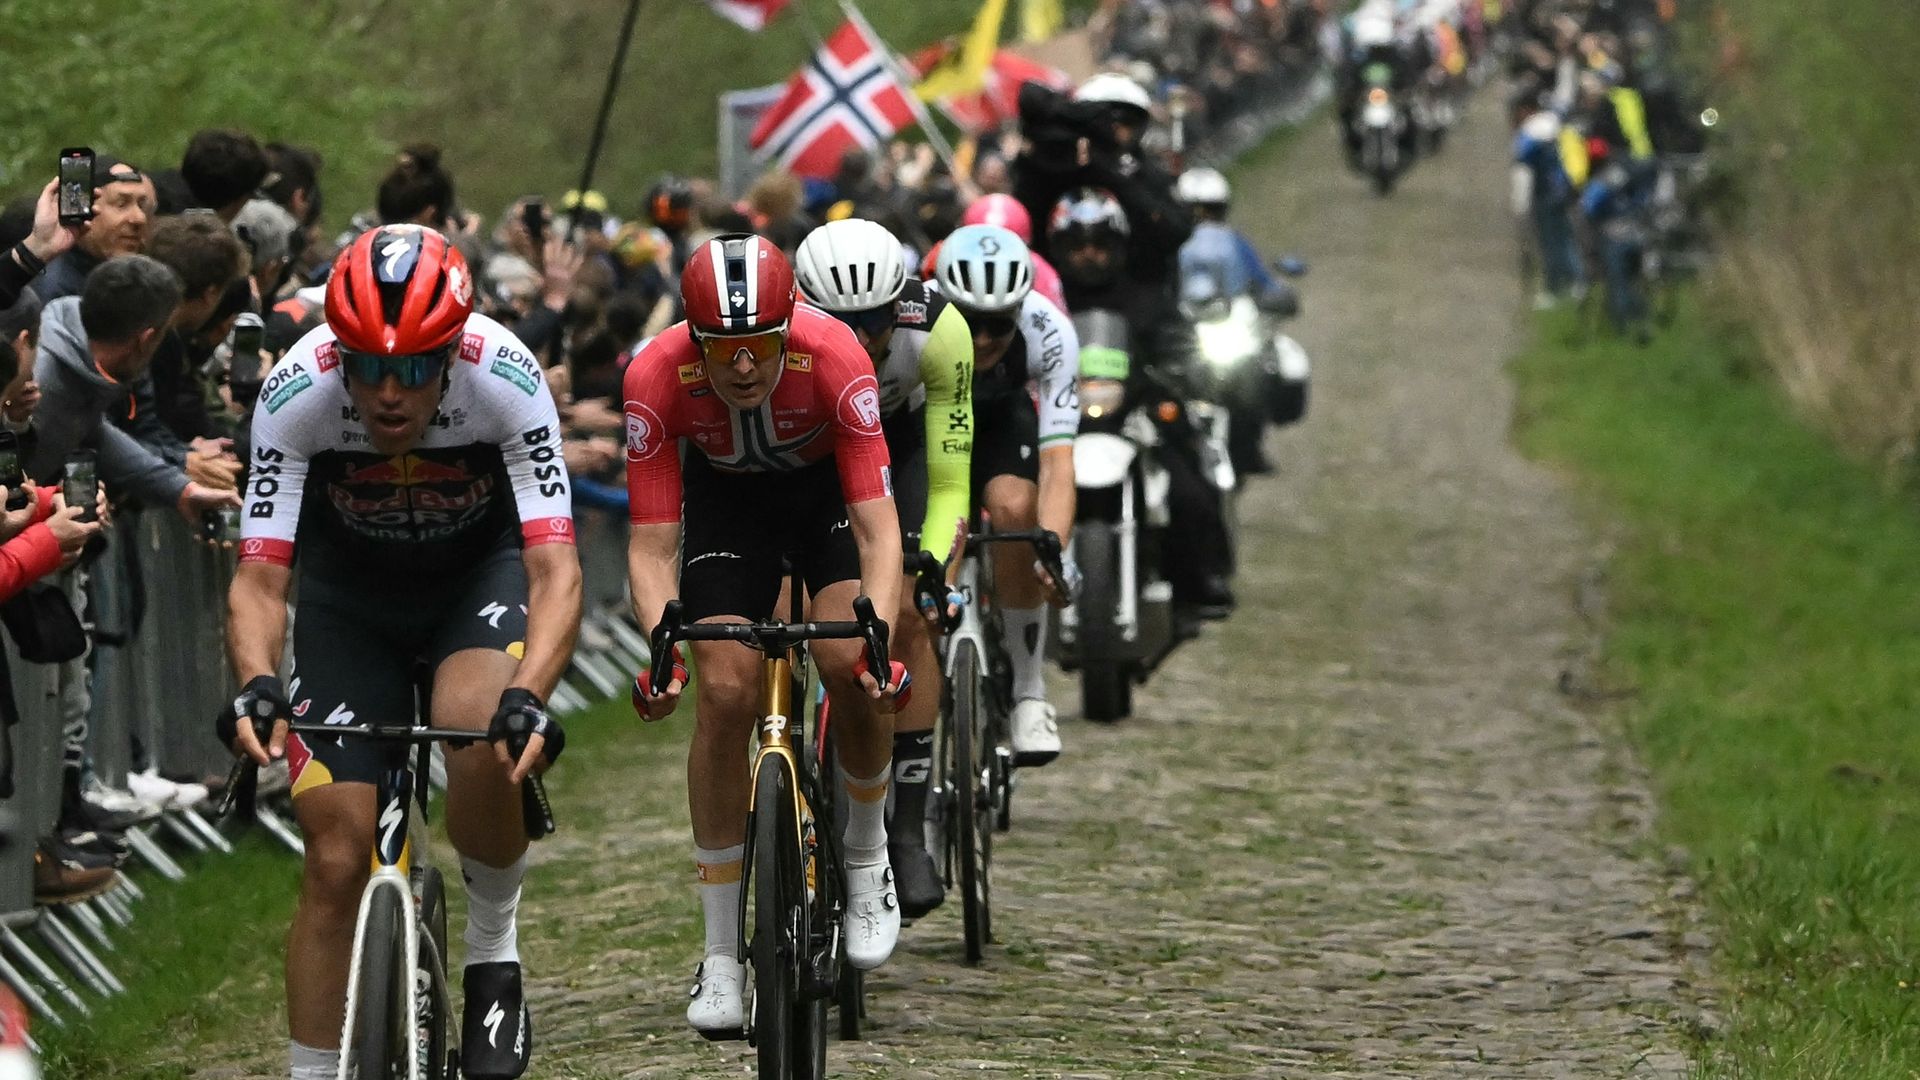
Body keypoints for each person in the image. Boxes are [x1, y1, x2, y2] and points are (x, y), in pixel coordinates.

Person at [221, 224, 582, 1080]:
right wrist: (260, 683)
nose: (390, 393)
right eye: (370, 367)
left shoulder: (507, 377)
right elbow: (260, 580)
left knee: (479, 735)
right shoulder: (293, 393)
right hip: (353, 603)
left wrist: (529, 690)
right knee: (335, 854)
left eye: (416, 369)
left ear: (452, 354)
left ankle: (493, 945)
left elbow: (556, 567)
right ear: (337, 353)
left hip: (475, 586)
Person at [623, 232, 909, 1038]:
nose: (743, 367)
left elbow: (879, 531)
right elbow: (649, 547)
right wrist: (660, 643)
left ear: (790, 327)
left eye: (760, 347)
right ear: (695, 340)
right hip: (727, 508)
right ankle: (719, 954)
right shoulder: (653, 373)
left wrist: (879, 635)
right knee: (723, 690)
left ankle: (864, 854)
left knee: (848, 659)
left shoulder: (837, 354)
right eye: (723, 349)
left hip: (825, 498)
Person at [792, 217, 973, 918]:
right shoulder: (777, 341)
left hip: (903, 447)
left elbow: (951, 476)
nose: (861, 340)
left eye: (874, 322)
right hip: (814, 453)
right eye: (841, 322)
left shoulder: (938, 330)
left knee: (906, 612)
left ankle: (905, 830)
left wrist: (932, 564)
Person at [930, 224, 1080, 759]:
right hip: (930, 426)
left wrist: (1052, 550)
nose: (987, 338)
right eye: (972, 322)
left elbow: (1058, 463)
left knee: (1017, 509)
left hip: (1000, 423)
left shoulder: (1050, 331)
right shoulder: (914, 326)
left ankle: (1028, 692)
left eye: (1001, 323)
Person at [1049, 188, 1235, 618]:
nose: (1089, 255)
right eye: (1077, 246)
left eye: (1100, 245)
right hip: (1060, 420)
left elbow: (1179, 341)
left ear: (1118, 247)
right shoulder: (1047, 299)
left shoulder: (1146, 295)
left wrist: (1182, 370)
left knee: (1189, 482)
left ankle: (1200, 577)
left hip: (1135, 415)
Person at [31, 156, 156, 303]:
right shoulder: (54, 293)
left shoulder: (144, 280)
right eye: (122, 204)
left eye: (141, 205)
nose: (140, 218)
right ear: (81, 210)